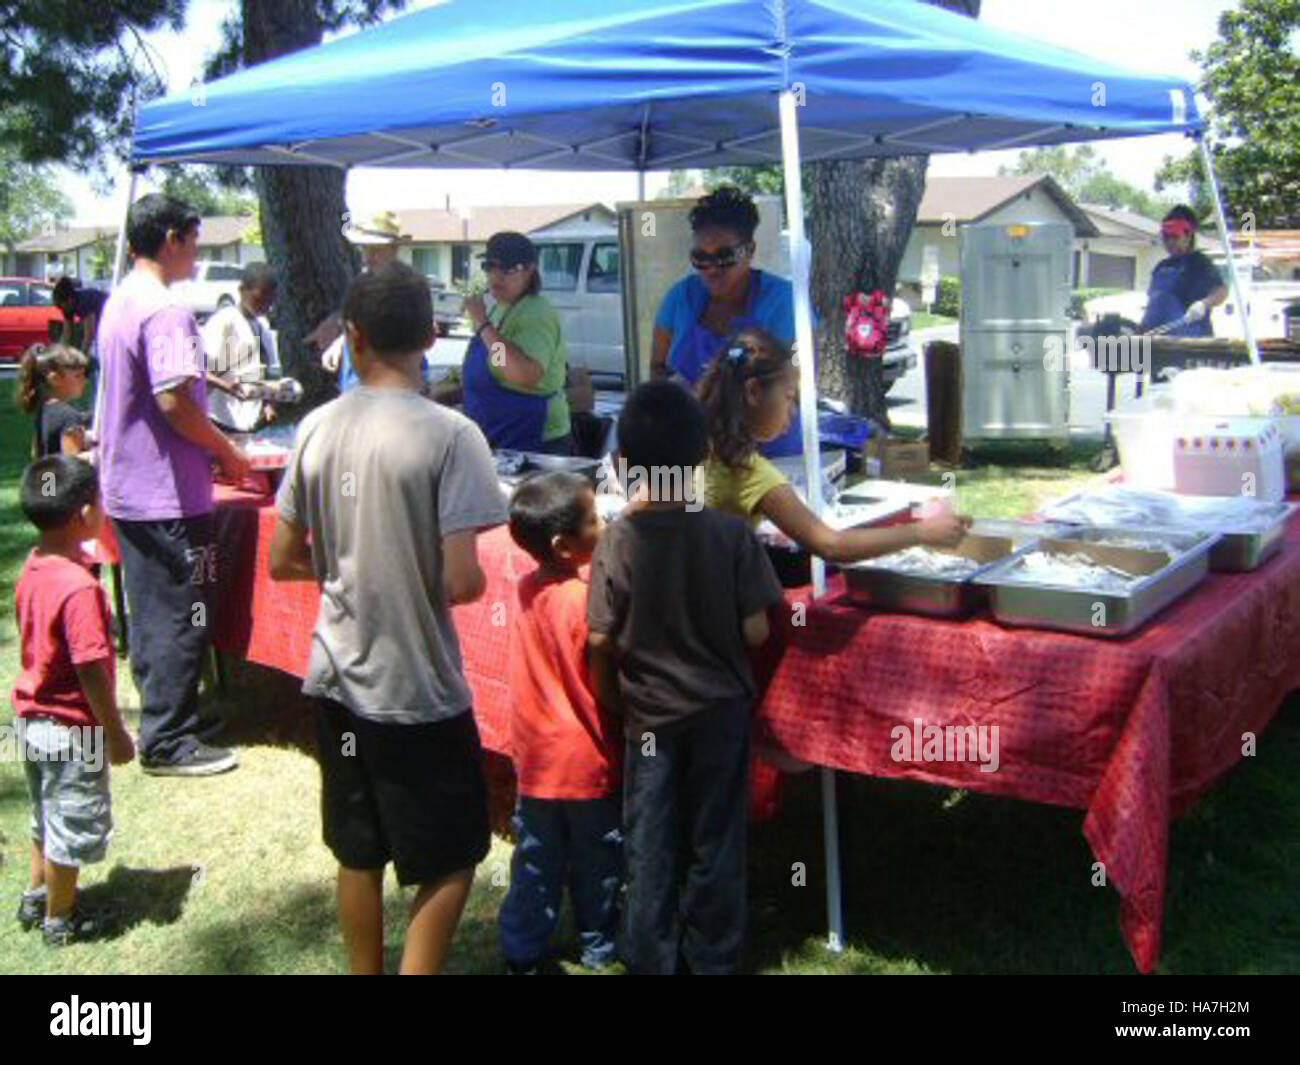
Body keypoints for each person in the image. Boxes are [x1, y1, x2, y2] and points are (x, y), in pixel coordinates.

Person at [268, 261, 507, 975]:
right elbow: (463, 579)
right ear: (431, 335)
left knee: (359, 848)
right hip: (416, 688)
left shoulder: (316, 425)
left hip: (337, 677)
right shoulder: (453, 433)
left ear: (355, 333)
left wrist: (352, 566)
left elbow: (283, 556)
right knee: (453, 853)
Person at [587, 381, 785, 975]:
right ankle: (714, 958)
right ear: (703, 457)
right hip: (721, 714)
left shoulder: (616, 538)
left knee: (649, 842)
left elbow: (599, 637)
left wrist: (609, 698)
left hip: (649, 720)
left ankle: (649, 956)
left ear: (621, 465)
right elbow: (756, 633)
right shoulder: (729, 535)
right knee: (716, 841)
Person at [96, 193, 249, 777]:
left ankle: (170, 715)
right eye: (194, 237)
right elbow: (172, 402)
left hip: (132, 486)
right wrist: (227, 451)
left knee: (157, 608)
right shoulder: (166, 310)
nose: (199, 249)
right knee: (179, 610)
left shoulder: (122, 299)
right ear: (171, 240)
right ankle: (168, 742)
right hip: (164, 492)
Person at [700, 327, 968, 560]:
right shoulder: (752, 475)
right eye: (788, 396)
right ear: (754, 392)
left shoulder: (689, 446)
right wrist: (921, 532)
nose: (792, 411)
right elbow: (831, 545)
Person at [498, 472, 622, 974]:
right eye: (595, 519)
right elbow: (602, 674)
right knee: (600, 858)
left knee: (534, 860)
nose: (605, 522)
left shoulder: (527, 588)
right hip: (586, 759)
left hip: (537, 760)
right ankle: (599, 943)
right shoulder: (585, 602)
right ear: (564, 546)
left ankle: (522, 948)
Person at [12, 456, 135, 946]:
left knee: (45, 812)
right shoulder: (80, 589)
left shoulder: (35, 564)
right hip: (71, 729)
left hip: (29, 719)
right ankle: (60, 920)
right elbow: (89, 668)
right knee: (71, 823)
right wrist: (115, 733)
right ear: (86, 514)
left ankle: (37, 892)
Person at [651, 186, 803, 456]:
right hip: (700, 450)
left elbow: (795, 379)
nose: (711, 269)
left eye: (724, 257)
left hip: (770, 450)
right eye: (700, 258)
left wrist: (727, 405)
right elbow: (657, 366)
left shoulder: (783, 302)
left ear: (750, 250)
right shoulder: (680, 298)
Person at [459, 231, 572, 454]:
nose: (496, 276)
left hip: (535, 440)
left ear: (530, 270)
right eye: (490, 266)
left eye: (507, 269)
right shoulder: (500, 308)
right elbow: (496, 363)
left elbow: (523, 374)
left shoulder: (536, 313)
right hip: (498, 436)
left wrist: (482, 323)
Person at [310, 213, 409, 392]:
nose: (368, 257)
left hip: (386, 394)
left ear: (394, 249)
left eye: (376, 250)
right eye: (365, 249)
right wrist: (341, 339)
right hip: (354, 390)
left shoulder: (406, 292)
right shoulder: (364, 285)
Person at [201, 262, 281, 432]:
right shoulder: (225, 321)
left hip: (247, 420)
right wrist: (225, 385)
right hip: (220, 418)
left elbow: (271, 373)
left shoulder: (262, 326)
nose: (264, 307)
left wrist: (269, 404)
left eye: (269, 302)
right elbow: (201, 370)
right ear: (242, 291)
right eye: (259, 300)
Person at [1139, 205, 1228, 338]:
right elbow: (1152, 305)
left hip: (1192, 341)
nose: (1169, 242)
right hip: (1158, 340)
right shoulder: (1161, 266)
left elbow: (1221, 291)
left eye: (1175, 237)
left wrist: (1204, 304)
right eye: (1166, 237)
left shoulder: (1200, 263)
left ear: (1188, 236)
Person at [16, 343, 92, 458]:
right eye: (78, 376)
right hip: (59, 476)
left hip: (47, 475)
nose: (84, 380)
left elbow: (35, 452)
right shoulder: (68, 416)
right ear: (55, 379)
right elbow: (73, 460)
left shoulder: (44, 409)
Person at [51, 277, 108, 354]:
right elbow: (67, 333)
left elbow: (89, 335)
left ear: (69, 300)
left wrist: (82, 356)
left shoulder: (84, 301)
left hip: (110, 314)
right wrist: (61, 353)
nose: (62, 309)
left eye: (62, 306)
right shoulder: (67, 308)